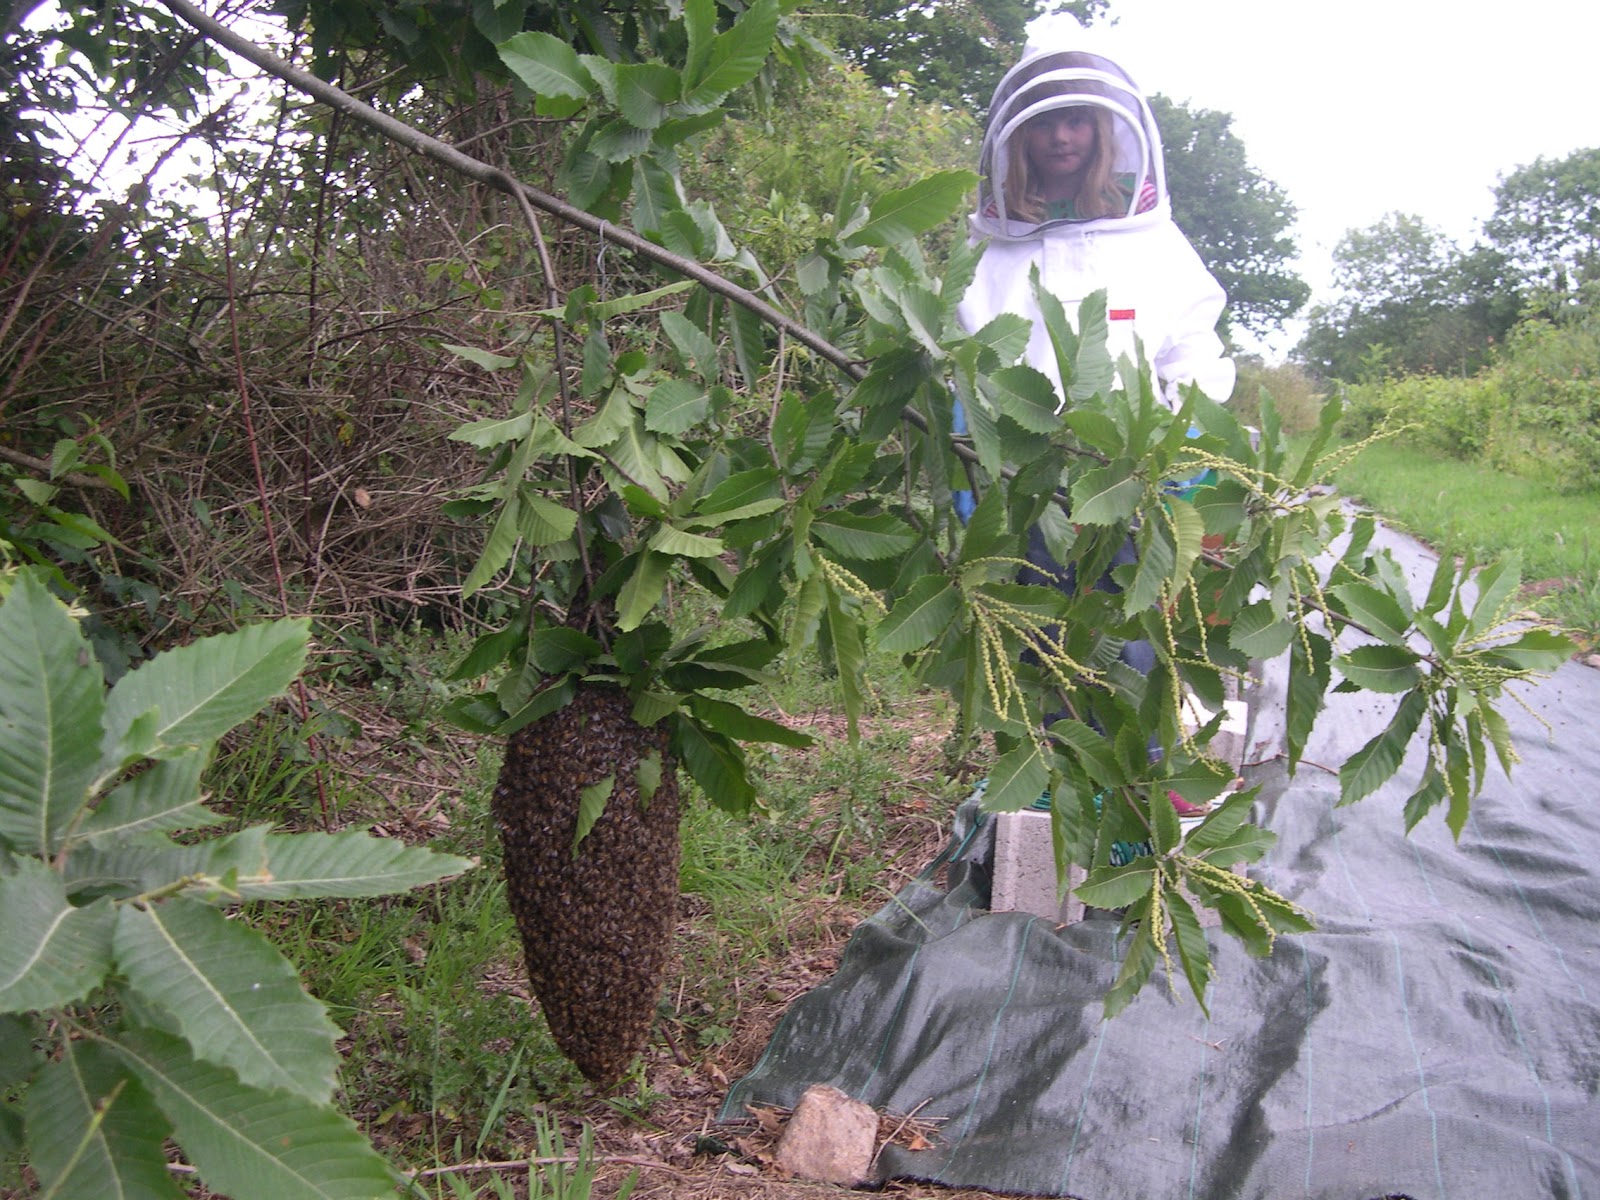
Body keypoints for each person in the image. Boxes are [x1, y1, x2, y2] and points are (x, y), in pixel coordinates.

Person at [954, 14, 1235, 818]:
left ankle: (1137, 808)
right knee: (1037, 643)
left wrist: (1182, 461)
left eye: (1078, 118)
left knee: (1133, 647)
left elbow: (1194, 353)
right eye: (1047, 121)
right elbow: (966, 363)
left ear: (1109, 129)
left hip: (1132, 486)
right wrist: (975, 473)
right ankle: (1034, 796)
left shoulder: (1157, 246)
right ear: (1020, 136)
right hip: (1027, 490)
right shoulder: (991, 253)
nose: (1063, 136)